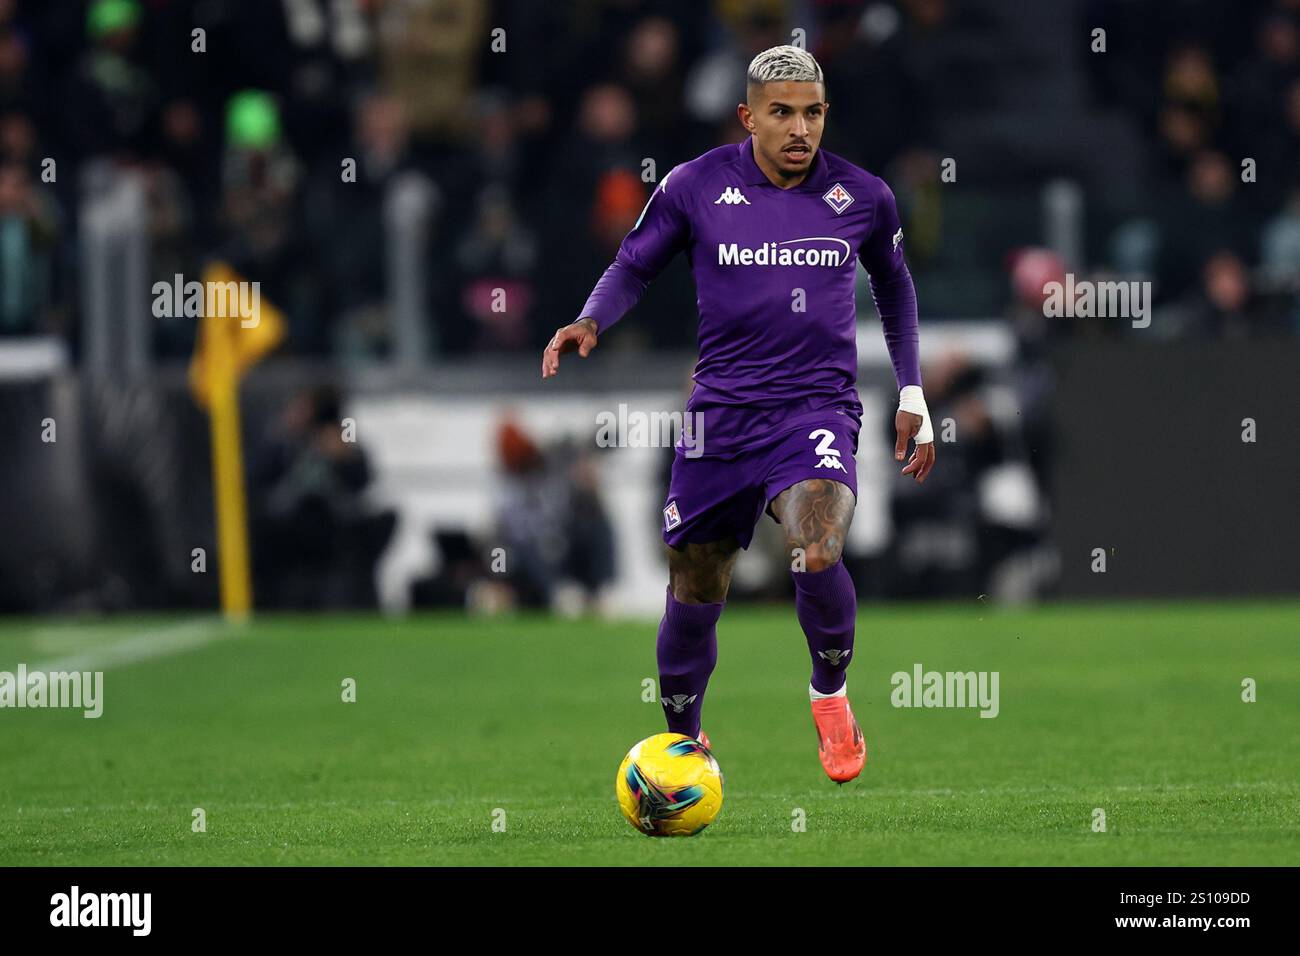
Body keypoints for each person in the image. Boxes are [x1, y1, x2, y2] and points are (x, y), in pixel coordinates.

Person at [541, 46, 934, 784]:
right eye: (781, 112)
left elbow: (896, 286)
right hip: (719, 419)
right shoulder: (694, 186)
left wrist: (912, 393)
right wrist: (591, 319)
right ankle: (683, 745)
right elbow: (634, 262)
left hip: (814, 408)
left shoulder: (864, 197)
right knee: (697, 586)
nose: (799, 128)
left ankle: (829, 694)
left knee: (817, 546)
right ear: (747, 116)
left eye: (812, 112)